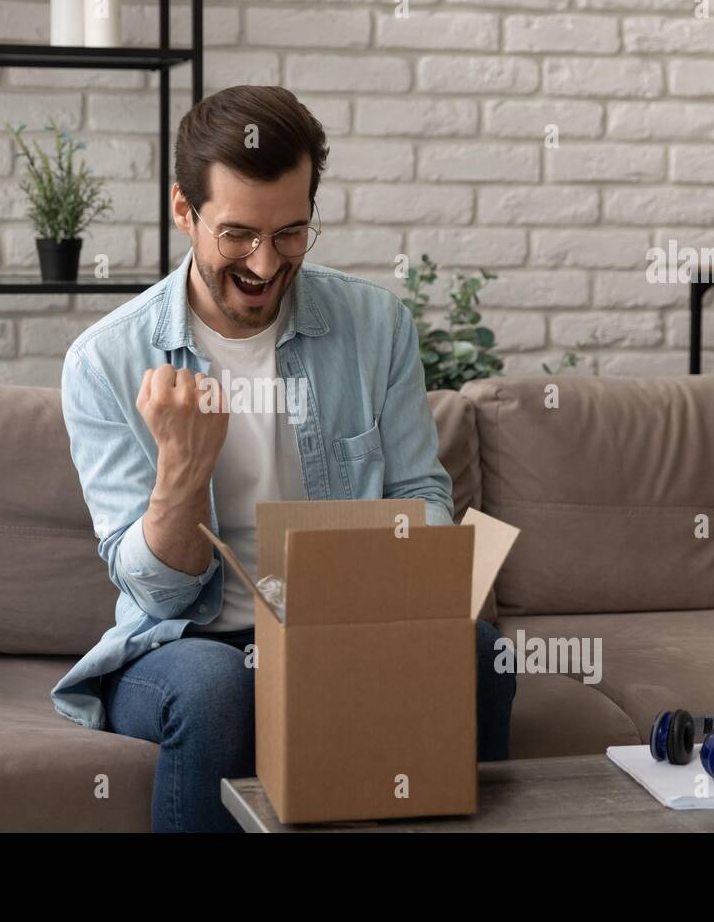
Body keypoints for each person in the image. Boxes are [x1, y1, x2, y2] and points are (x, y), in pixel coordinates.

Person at [52, 84, 515, 832]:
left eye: (291, 233)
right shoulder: (104, 361)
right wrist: (181, 471)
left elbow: (420, 490)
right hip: (183, 643)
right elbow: (158, 597)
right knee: (218, 687)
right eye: (237, 235)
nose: (266, 264)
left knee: (474, 653)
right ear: (183, 211)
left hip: (342, 623)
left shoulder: (375, 327)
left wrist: (406, 587)